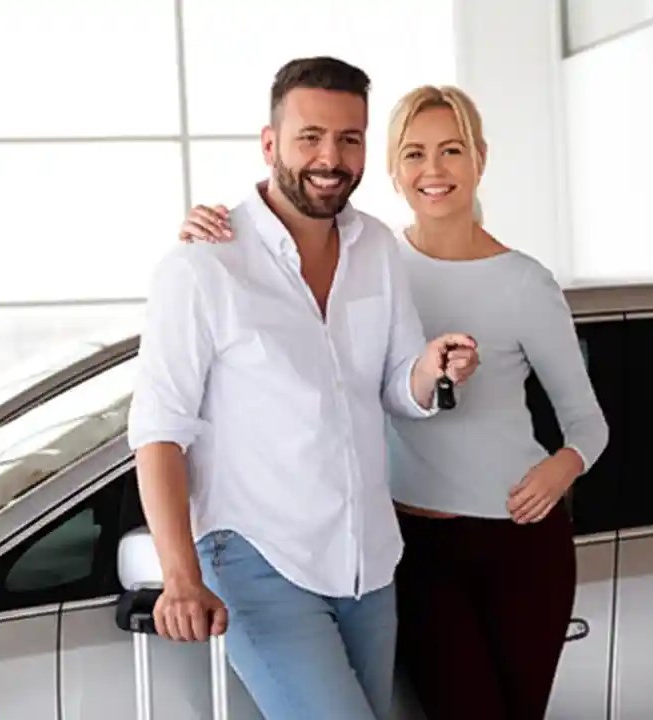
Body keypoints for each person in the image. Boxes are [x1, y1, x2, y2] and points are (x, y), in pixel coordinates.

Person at [175, 83, 610, 720]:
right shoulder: (368, 257)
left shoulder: (525, 284)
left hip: (519, 545)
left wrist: (558, 468)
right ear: (392, 170)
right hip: (406, 549)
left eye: (451, 151)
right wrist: (207, 230)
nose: (433, 171)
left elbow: (587, 425)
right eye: (414, 154)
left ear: (479, 160)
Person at [126, 56, 480, 720]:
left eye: (349, 139)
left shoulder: (375, 245)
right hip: (261, 559)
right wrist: (180, 577)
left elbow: (396, 387)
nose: (331, 157)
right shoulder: (204, 265)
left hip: (369, 562)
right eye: (310, 136)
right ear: (270, 144)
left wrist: (429, 370)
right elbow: (158, 430)